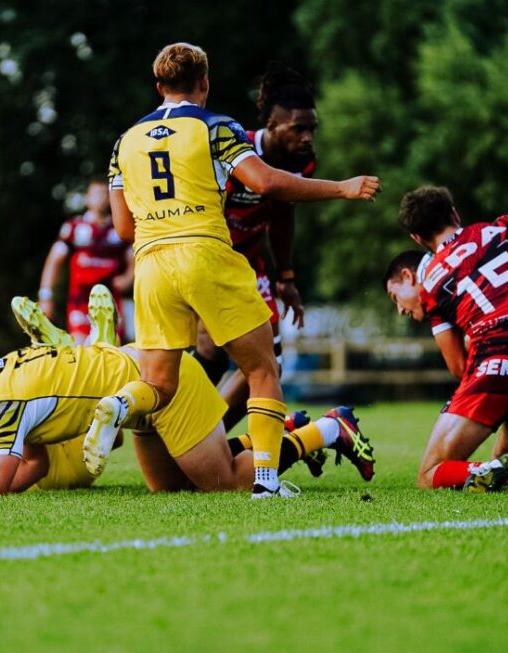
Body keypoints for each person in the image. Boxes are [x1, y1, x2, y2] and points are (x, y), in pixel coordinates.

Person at [84, 42, 379, 498]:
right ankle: (265, 482)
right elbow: (267, 183)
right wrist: (342, 187)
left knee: (159, 383)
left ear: (158, 85)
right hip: (206, 254)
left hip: (152, 265)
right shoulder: (216, 128)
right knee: (263, 369)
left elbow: (124, 226)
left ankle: (120, 404)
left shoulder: (125, 141)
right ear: (204, 82)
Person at [0, 342, 373, 498]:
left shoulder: (3, 404)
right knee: (170, 487)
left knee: (226, 483)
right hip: (140, 388)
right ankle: (277, 430)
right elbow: (33, 463)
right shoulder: (2, 367)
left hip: (160, 384)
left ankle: (331, 428)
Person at [384, 186, 508, 491]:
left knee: (430, 474)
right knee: (506, 461)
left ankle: (493, 466)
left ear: (417, 239)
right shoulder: (503, 227)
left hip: (495, 369)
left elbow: (459, 367)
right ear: (454, 213)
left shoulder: (431, 281)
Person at [193, 62, 317, 432]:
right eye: (299, 129)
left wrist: (287, 276)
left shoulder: (302, 163)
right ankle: (185, 434)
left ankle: (209, 437)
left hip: (251, 267)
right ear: (272, 127)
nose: (308, 137)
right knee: (210, 353)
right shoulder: (237, 150)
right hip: (208, 261)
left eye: (312, 128)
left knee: (267, 367)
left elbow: (281, 216)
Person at [37, 176, 133, 343]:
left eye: (105, 193)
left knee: (112, 349)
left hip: (112, 301)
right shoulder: (74, 228)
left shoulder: (119, 228)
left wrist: (128, 278)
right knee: (80, 348)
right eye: (96, 194)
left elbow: (135, 257)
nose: (101, 198)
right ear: (87, 198)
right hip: (80, 300)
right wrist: (46, 295)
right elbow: (54, 260)